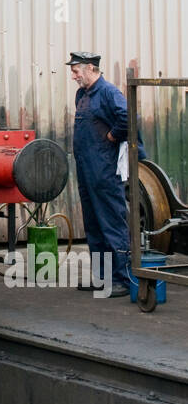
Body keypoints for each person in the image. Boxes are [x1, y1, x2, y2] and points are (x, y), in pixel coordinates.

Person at [67, 51, 143, 297]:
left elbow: (129, 117)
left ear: (91, 68)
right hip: (86, 169)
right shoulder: (82, 94)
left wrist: (112, 136)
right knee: (94, 226)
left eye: (76, 70)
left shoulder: (109, 92)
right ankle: (102, 278)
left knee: (111, 223)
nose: (73, 75)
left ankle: (121, 279)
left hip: (105, 170)